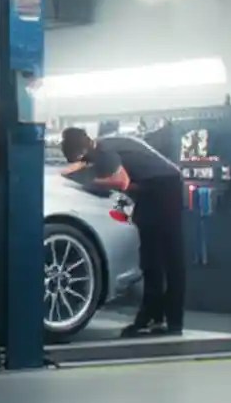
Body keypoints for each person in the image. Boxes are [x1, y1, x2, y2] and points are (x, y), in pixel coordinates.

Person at [61, 127, 185, 337]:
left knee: (163, 256)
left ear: (81, 148)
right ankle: (157, 317)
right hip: (162, 183)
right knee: (153, 255)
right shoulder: (101, 145)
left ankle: (165, 320)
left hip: (164, 187)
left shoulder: (103, 150)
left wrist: (87, 182)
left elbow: (121, 181)